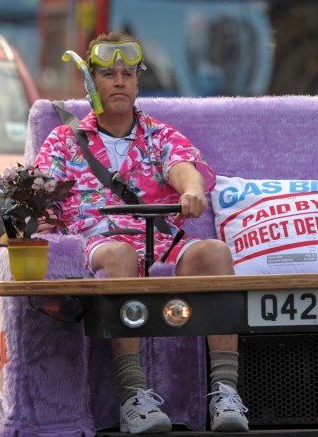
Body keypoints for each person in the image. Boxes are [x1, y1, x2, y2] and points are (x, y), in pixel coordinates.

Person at [33, 31, 249, 434]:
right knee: (120, 254)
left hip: (161, 241)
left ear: (137, 82)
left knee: (215, 253)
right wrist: (40, 213)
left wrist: (192, 190)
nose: (119, 82)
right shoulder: (63, 141)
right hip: (97, 243)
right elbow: (40, 194)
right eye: (108, 74)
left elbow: (183, 168)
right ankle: (134, 396)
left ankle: (225, 393)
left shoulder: (159, 135)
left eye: (128, 74)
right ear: (90, 82)